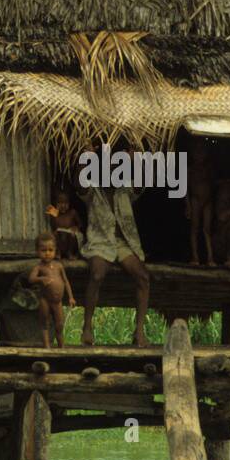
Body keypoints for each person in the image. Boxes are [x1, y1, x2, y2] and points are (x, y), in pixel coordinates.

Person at [75, 143, 151, 347]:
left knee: (143, 277)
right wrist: (85, 159)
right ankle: (87, 327)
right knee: (97, 274)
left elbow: (141, 183)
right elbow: (80, 184)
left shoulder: (124, 190)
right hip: (99, 242)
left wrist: (138, 162)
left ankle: (139, 331)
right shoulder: (92, 191)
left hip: (123, 243)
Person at [27, 232, 75, 348]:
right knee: (45, 323)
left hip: (57, 302)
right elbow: (31, 279)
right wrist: (41, 278)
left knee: (59, 324)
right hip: (45, 300)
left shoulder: (59, 266)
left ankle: (61, 346)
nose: (47, 253)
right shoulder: (39, 267)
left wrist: (71, 297)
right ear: (37, 252)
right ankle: (47, 346)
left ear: (55, 251)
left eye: (50, 250)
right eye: (43, 250)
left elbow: (65, 281)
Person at [185, 136, 215, 265]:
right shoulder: (189, 169)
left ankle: (210, 258)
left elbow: (213, 185)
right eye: (196, 151)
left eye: (202, 151)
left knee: (207, 229)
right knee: (195, 228)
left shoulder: (209, 168)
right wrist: (187, 205)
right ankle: (195, 257)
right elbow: (185, 188)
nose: (199, 155)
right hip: (195, 200)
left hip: (207, 200)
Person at [46, 190, 84, 259]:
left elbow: (80, 224)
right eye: (60, 203)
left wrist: (76, 227)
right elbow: (53, 226)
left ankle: (70, 253)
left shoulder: (73, 213)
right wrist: (52, 214)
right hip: (60, 237)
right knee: (54, 234)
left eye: (65, 203)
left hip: (70, 236)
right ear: (56, 204)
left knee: (72, 235)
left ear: (69, 203)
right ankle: (58, 252)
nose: (63, 205)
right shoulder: (55, 213)